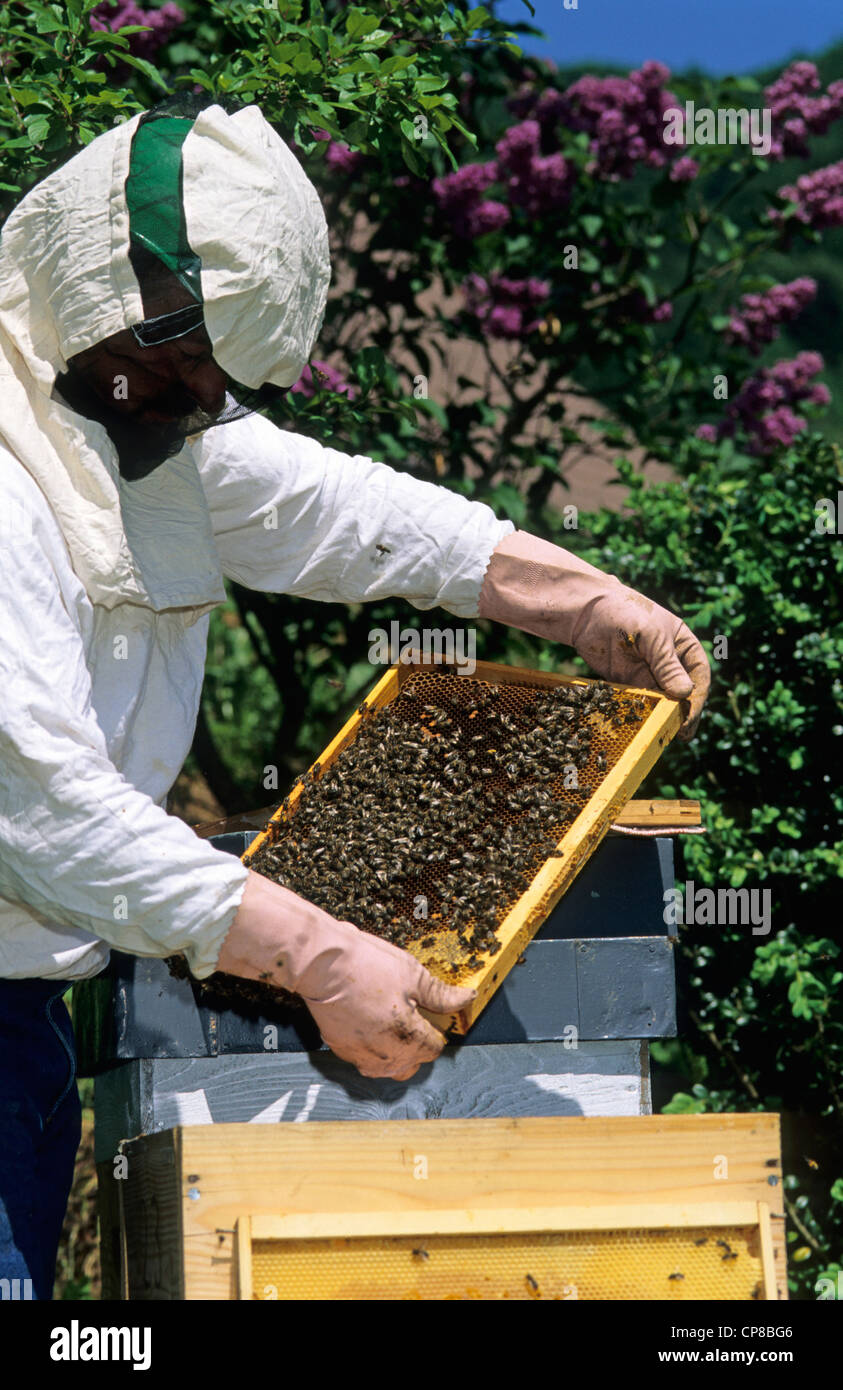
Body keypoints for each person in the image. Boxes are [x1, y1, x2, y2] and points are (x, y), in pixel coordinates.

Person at [0, 96, 710, 1298]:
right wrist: (323, 957)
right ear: (98, 291)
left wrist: (578, 598)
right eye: (176, 370)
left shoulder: (117, 407)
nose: (193, 406)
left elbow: (339, 510)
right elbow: (44, 812)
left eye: (213, 383)